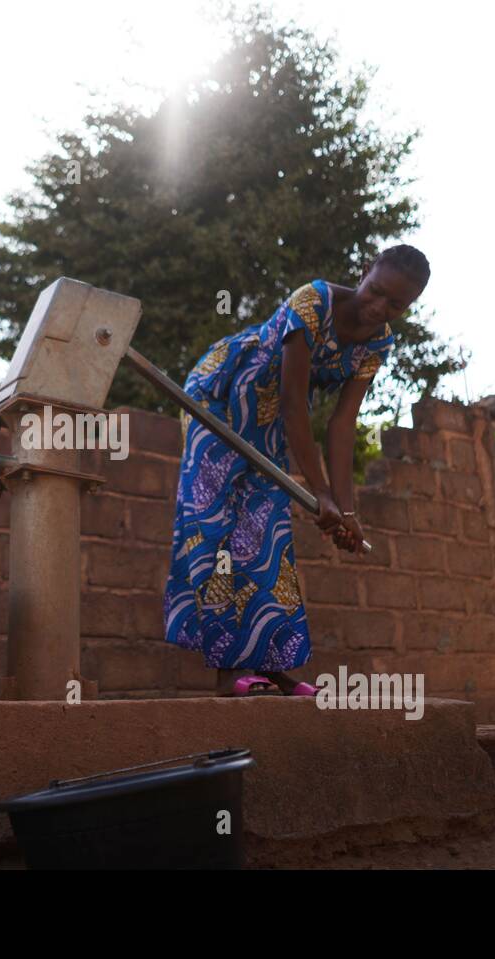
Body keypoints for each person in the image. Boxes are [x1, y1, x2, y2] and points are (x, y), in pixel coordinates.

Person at [162, 244, 430, 696]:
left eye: (396, 305)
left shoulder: (378, 342)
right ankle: (228, 672)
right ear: (366, 272)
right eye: (377, 291)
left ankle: (271, 667)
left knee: (267, 535)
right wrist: (321, 492)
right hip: (222, 395)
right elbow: (293, 400)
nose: (379, 308)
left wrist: (346, 510)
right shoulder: (314, 300)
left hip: (269, 423)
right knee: (218, 526)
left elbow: (342, 424)